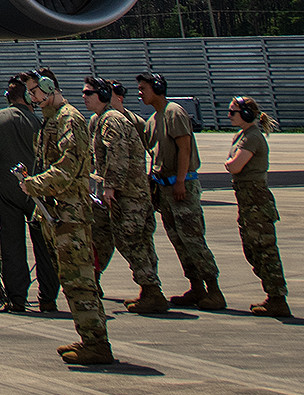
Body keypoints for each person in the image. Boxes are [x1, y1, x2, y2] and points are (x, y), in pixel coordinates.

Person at [16, 70, 112, 366]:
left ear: (48, 89)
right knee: (71, 279)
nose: (32, 98)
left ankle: (97, 344)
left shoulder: (69, 119)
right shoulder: (52, 120)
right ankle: (88, 337)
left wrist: (34, 184)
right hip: (57, 214)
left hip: (70, 214)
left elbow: (68, 167)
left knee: (80, 280)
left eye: (34, 92)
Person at [83, 78, 170, 316]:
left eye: (88, 93)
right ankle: (149, 289)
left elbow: (117, 154)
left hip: (128, 195)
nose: (84, 96)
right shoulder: (101, 120)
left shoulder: (111, 120)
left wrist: (110, 186)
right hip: (131, 193)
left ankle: (151, 290)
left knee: (130, 240)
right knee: (131, 240)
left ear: (101, 95)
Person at [0, 72, 59, 314]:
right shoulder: (40, 121)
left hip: (9, 190)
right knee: (44, 246)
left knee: (12, 245)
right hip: (39, 191)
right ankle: (48, 298)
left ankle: (17, 298)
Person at [139, 73, 223, 309]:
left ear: (157, 88)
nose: (140, 93)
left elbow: (184, 149)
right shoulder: (154, 119)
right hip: (165, 188)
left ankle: (214, 290)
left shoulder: (173, 112)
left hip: (180, 186)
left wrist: (180, 182)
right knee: (178, 240)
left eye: (143, 88)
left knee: (193, 239)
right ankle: (196, 287)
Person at [227, 96, 292, 318]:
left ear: (246, 114)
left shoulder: (252, 137)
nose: (229, 116)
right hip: (246, 199)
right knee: (252, 249)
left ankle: (277, 299)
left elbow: (235, 165)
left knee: (265, 250)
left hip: (255, 199)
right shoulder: (243, 135)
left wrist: (229, 163)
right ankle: (272, 295)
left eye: (233, 112)